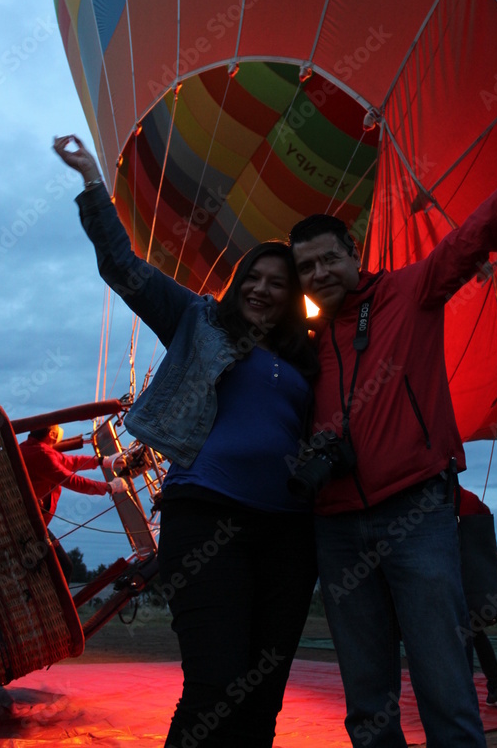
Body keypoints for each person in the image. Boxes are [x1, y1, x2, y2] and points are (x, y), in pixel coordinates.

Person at [288, 83, 497, 748]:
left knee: (442, 678)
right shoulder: (301, 343)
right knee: (365, 693)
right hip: (335, 524)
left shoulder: (407, 292)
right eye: (304, 267)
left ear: (352, 253)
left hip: (413, 510)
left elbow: (476, 236)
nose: (317, 274)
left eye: (327, 259)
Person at [53, 134, 319, 748]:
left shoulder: (309, 360)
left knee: (262, 696)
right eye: (254, 277)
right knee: (215, 684)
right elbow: (125, 269)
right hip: (207, 519)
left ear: (293, 298)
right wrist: (95, 182)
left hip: (287, 536)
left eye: (279, 283)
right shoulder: (198, 321)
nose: (262, 290)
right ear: (238, 281)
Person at [20, 423, 128, 581]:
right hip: (31, 526)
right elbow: (73, 481)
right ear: (51, 434)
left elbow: (69, 461)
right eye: (57, 427)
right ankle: (47, 603)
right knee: (63, 567)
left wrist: (102, 461)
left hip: (32, 523)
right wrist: (108, 487)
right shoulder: (42, 454)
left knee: (57, 567)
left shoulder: (30, 448)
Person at [458, 486, 497, 708]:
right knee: (475, 632)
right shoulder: (471, 499)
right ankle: (496, 688)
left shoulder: (433, 499)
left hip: (449, 576)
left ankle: (461, 693)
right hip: (472, 580)